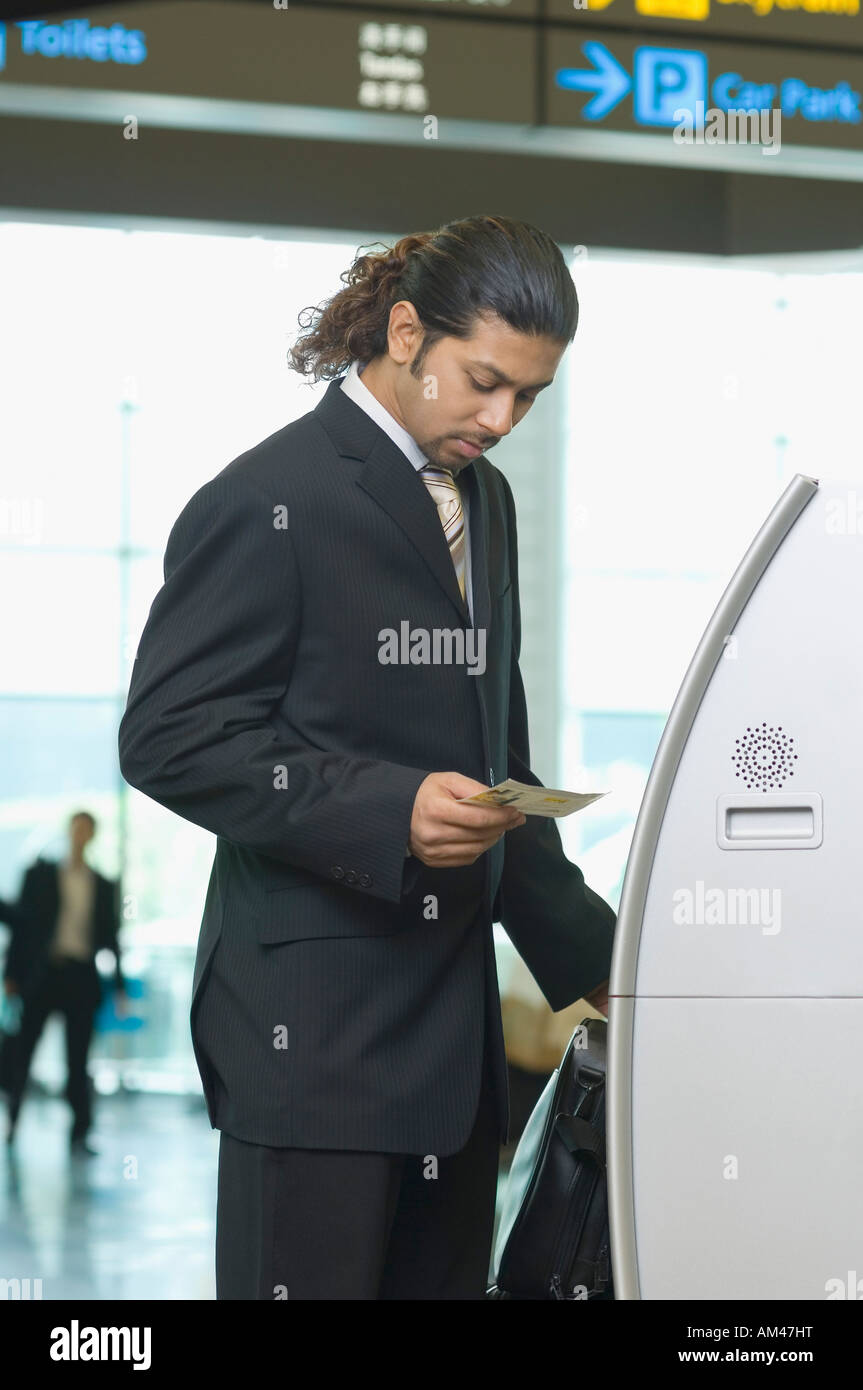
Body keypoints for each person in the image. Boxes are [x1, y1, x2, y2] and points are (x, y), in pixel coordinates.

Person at [118, 213, 616, 1299]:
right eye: (483, 381)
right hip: (314, 1049)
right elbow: (166, 735)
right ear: (403, 333)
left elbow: (499, 768)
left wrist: (609, 969)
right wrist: (387, 811)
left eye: (527, 396)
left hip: (449, 1049)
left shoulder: (482, 502)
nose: (501, 418)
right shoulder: (264, 499)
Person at [0, 810, 126, 1155]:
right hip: (43, 977)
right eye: (76, 828)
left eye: (88, 829)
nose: (80, 834)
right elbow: (22, 930)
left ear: (93, 836)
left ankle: (80, 1133)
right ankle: (12, 1121)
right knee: (23, 1053)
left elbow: (113, 936)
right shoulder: (40, 875)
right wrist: (11, 976)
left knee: (78, 1060)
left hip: (80, 978)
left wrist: (119, 986)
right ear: (69, 832)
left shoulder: (102, 884)